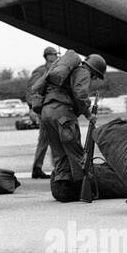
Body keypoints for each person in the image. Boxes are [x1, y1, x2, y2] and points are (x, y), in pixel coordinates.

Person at [39, 52, 107, 195]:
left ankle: (63, 190)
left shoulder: (68, 72)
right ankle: (81, 189)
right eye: (96, 76)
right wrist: (89, 115)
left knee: (59, 154)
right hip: (63, 114)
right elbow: (80, 94)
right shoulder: (83, 72)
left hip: (46, 113)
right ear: (93, 71)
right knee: (76, 152)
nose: (93, 79)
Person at [26, 46, 59, 178]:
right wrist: (31, 108)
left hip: (52, 108)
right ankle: (43, 168)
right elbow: (31, 90)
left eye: (55, 54)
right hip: (43, 109)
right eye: (53, 54)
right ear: (47, 56)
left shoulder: (56, 69)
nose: (55, 56)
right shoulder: (40, 71)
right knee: (48, 138)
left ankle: (39, 168)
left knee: (48, 139)